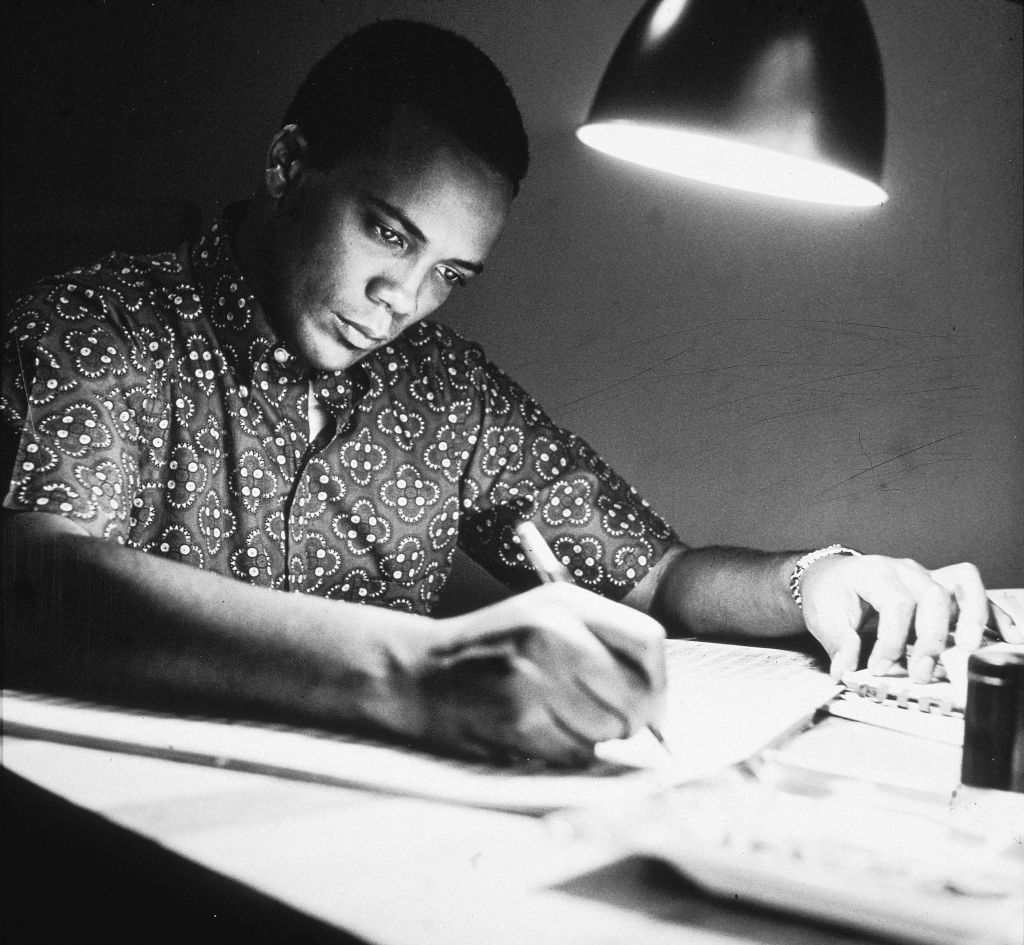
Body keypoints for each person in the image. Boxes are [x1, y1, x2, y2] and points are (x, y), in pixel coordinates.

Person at [1, 20, 1016, 767]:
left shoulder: (447, 394)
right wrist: (418, 671)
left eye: (451, 271)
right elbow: (40, 584)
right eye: (389, 234)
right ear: (288, 163)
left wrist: (817, 577)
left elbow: (658, 579)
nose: (403, 300)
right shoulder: (102, 325)